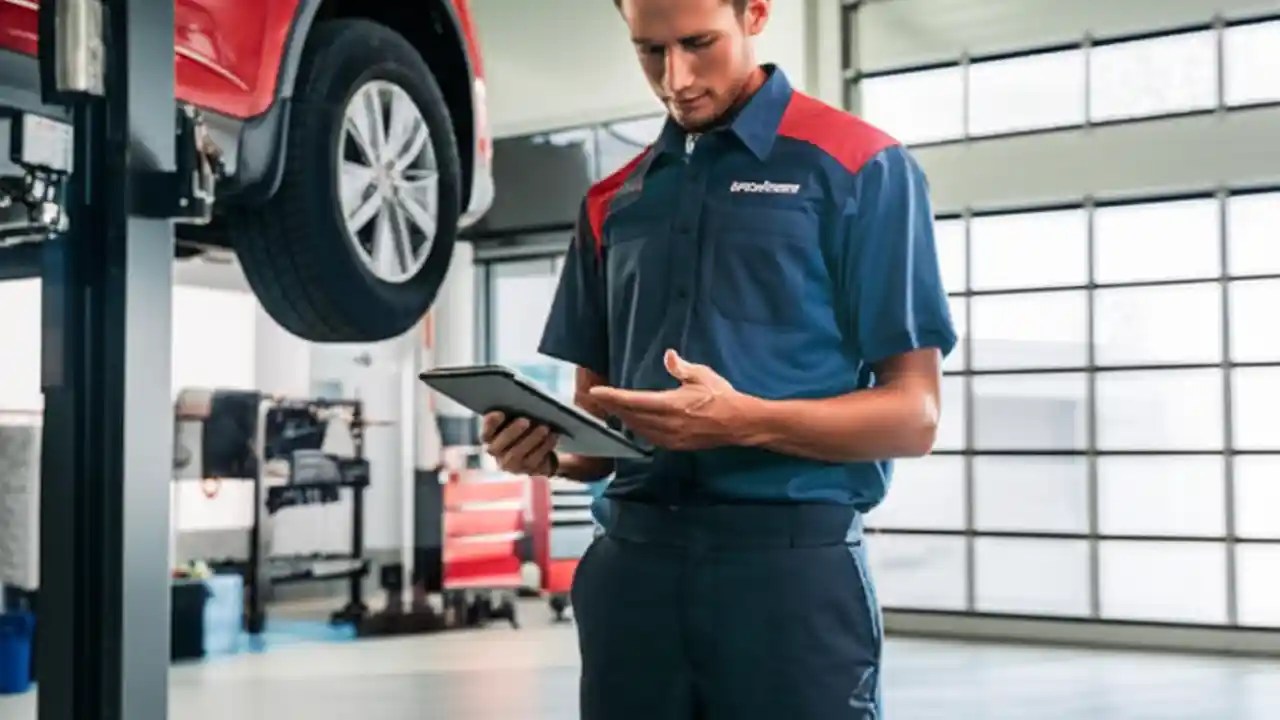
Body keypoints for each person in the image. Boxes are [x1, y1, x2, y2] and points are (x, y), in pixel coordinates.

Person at [481, 0, 956, 717]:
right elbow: (599, 436)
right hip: (630, 577)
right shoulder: (612, 201)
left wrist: (743, 421)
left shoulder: (863, 168)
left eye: (698, 43)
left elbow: (914, 418)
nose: (675, 79)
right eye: (650, 51)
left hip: (787, 577)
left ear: (755, 14)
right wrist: (548, 453)